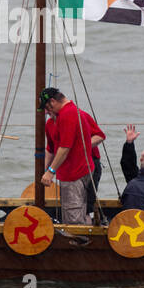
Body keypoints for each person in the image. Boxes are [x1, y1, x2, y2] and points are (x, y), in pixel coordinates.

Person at [39, 87, 106, 225]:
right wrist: (44, 171)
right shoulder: (57, 119)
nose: (47, 112)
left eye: (47, 107)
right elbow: (51, 149)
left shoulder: (68, 114)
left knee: (74, 218)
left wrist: (51, 171)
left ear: (53, 101)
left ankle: (79, 243)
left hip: (74, 173)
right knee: (78, 211)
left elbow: (65, 148)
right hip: (78, 170)